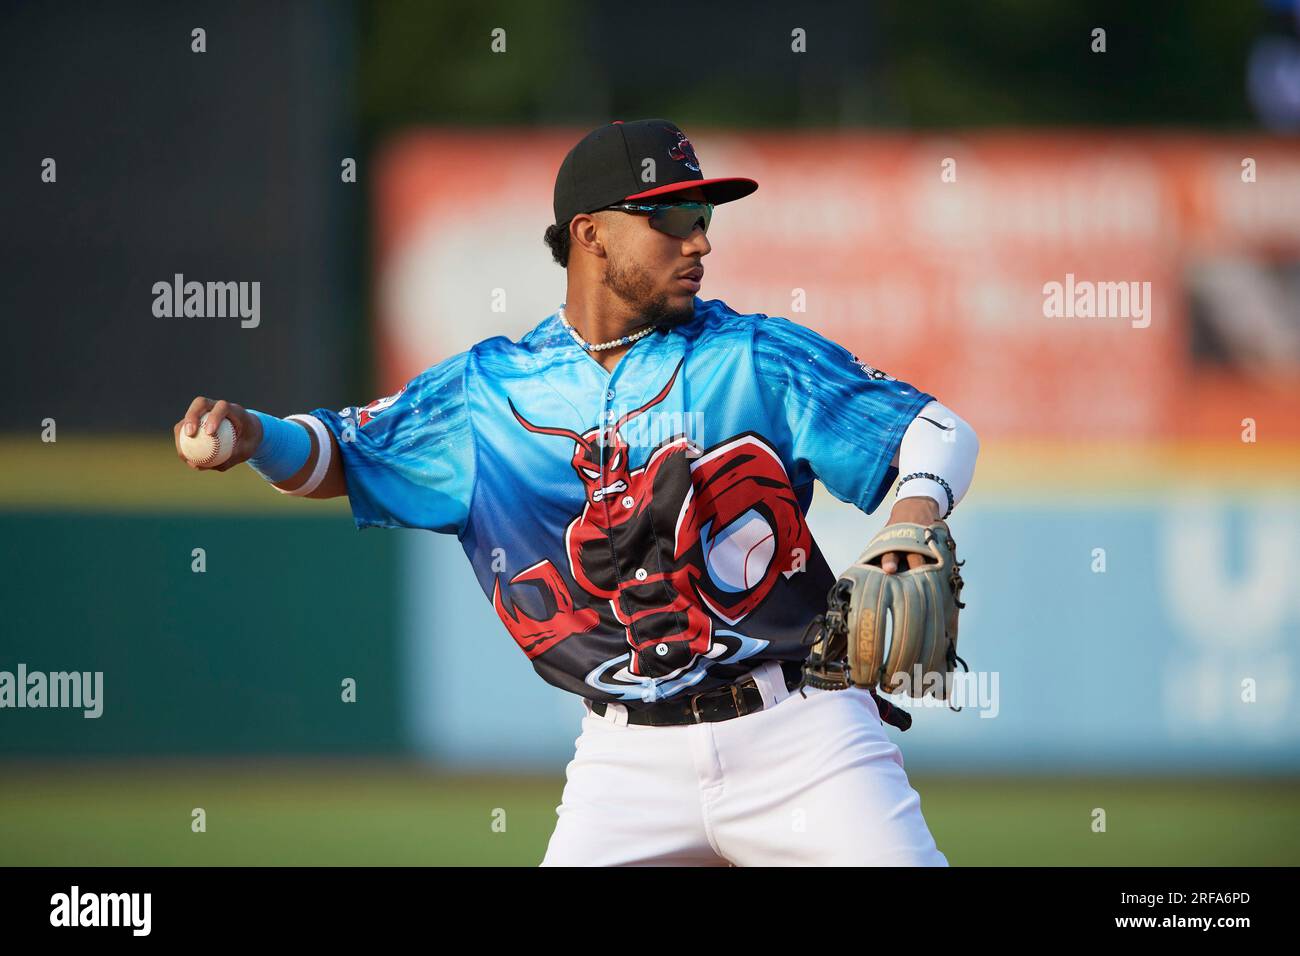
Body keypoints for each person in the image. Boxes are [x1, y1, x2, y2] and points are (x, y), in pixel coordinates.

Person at [173, 119, 979, 866]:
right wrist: (254, 436)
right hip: (625, 760)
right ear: (590, 234)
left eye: (704, 215)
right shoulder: (489, 394)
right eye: (671, 216)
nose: (698, 239)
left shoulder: (752, 356)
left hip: (803, 734)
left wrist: (910, 517)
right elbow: (342, 452)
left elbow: (936, 433)